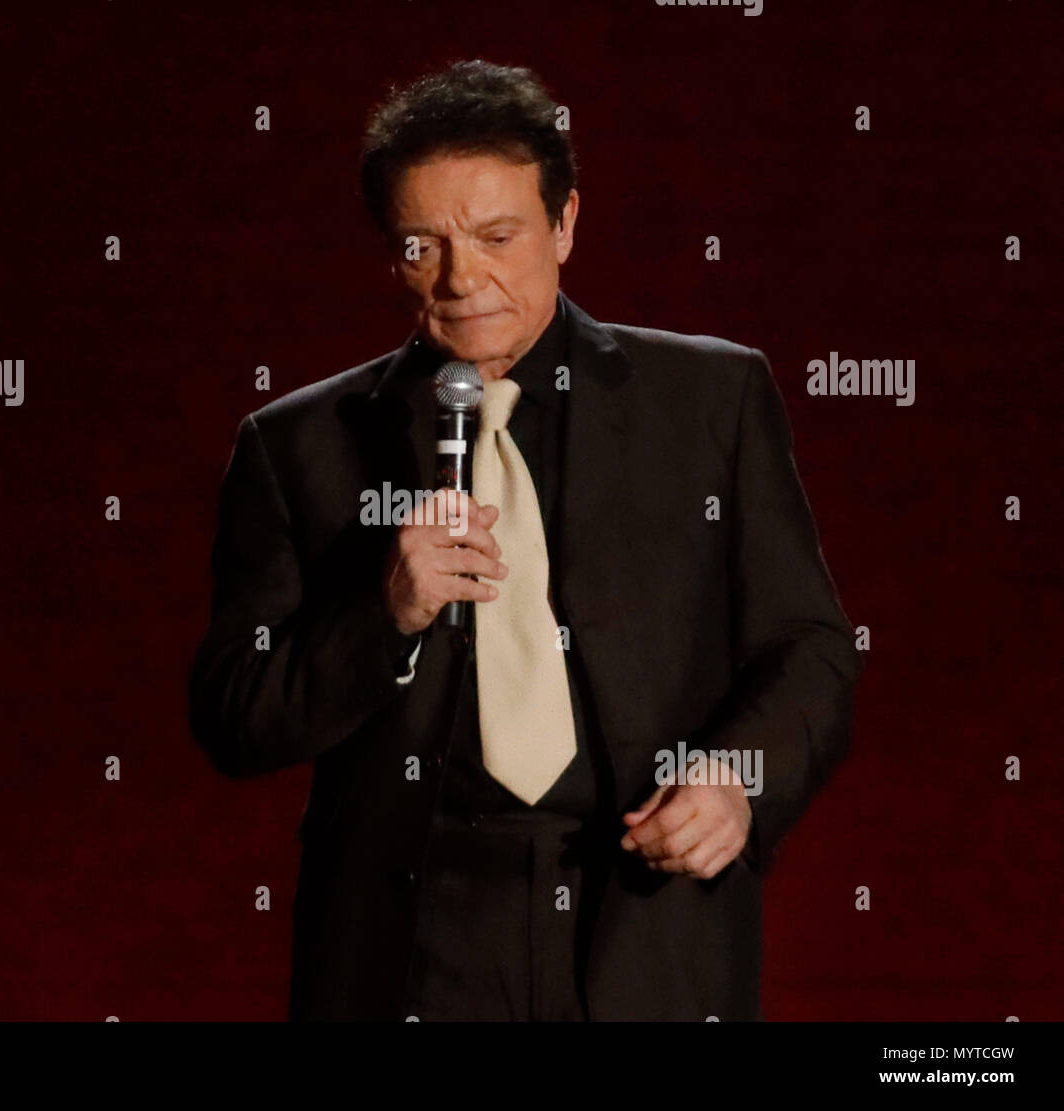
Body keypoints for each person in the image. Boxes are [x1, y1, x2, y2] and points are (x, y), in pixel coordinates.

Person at [188, 59, 862, 1021]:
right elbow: (232, 712)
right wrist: (383, 614)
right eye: (425, 245)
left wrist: (737, 781)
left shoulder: (711, 402)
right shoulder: (298, 447)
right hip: (412, 951)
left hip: (651, 919)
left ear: (566, 224)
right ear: (391, 252)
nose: (463, 280)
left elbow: (810, 650)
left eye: (498, 236)